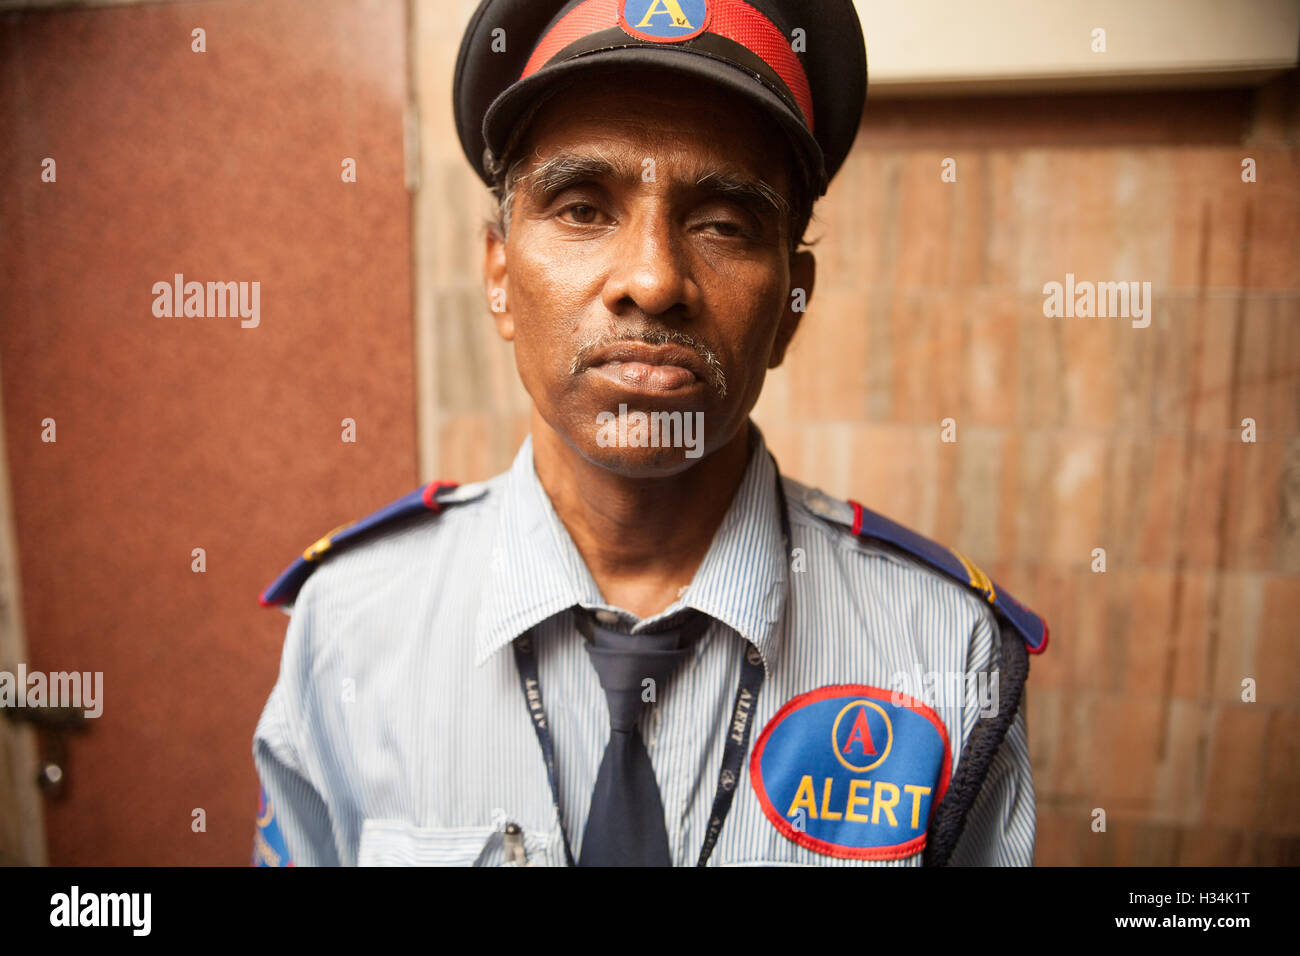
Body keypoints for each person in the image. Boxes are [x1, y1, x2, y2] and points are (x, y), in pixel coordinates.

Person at [251, 0, 1048, 868]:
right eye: (584, 208)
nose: (653, 279)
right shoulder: (352, 624)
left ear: (792, 305)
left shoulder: (942, 651)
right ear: (498, 275)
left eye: (723, 223)